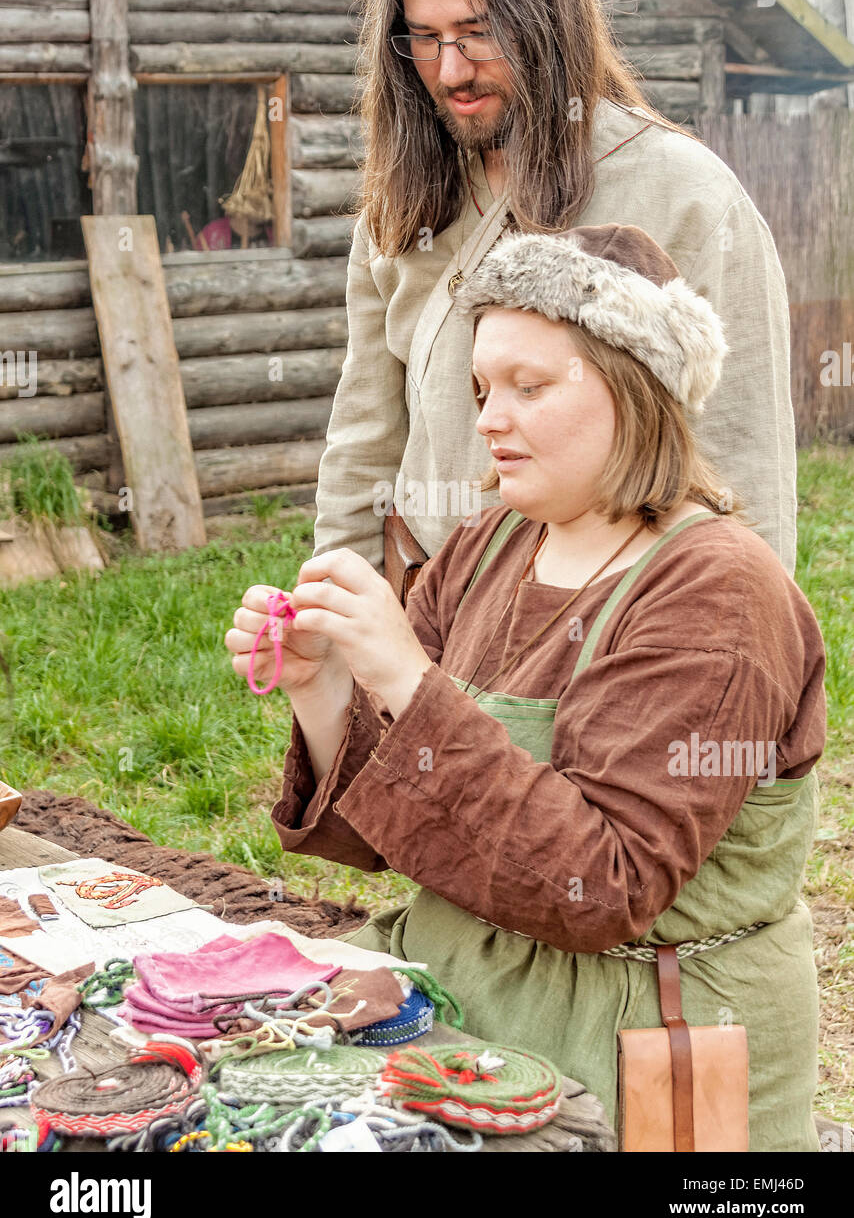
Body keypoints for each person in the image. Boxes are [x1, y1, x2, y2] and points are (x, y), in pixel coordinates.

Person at [226, 224, 826, 1153]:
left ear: (639, 387)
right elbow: (391, 833)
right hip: (462, 993)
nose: (488, 419)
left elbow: (602, 887)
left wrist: (406, 676)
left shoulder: (717, 592)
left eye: (530, 387)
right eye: (480, 389)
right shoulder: (495, 541)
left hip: (642, 1039)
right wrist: (326, 689)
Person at [311, 0, 798, 577]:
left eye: (478, 32)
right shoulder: (403, 206)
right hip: (423, 611)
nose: (450, 70)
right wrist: (335, 605)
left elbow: (743, 463)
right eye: (425, 37)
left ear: (547, 17)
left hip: (605, 623)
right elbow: (364, 437)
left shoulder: (689, 197)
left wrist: (738, 640)